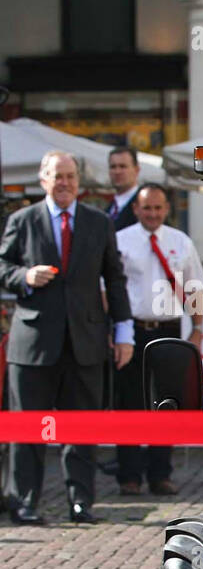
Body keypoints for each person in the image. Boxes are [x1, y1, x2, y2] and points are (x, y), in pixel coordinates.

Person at [0, 150, 132, 524]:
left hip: (86, 341)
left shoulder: (97, 222)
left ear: (79, 182)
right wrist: (23, 277)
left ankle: (80, 503)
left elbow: (115, 278)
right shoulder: (22, 221)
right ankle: (24, 502)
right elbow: (2, 265)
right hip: (33, 343)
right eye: (57, 176)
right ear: (43, 180)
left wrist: (123, 333)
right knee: (27, 428)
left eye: (70, 176)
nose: (64, 183)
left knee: (82, 427)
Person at [114, 184, 203, 496]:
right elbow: (107, 289)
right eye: (146, 208)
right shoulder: (120, 241)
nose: (152, 214)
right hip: (131, 330)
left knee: (165, 403)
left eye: (158, 208)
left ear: (167, 209)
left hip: (169, 329)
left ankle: (160, 474)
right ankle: (128, 476)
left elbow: (194, 288)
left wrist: (197, 329)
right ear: (136, 209)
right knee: (128, 405)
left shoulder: (181, 242)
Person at [106, 146, 141, 231]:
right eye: (113, 167)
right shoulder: (109, 209)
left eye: (123, 166)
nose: (117, 172)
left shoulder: (146, 204)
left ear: (136, 170)